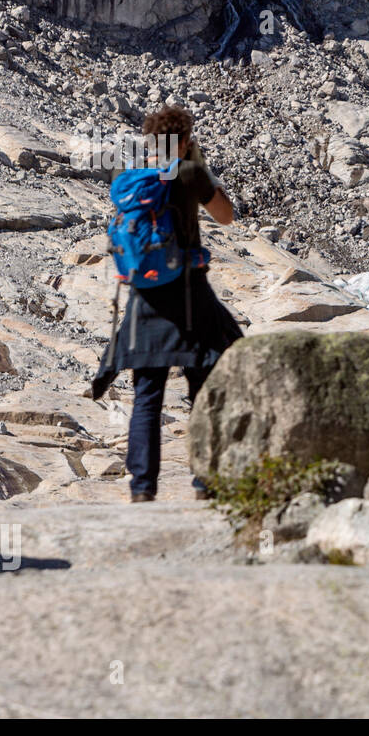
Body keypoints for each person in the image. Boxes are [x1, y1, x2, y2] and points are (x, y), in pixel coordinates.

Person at [91, 106, 243, 503]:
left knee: (147, 394)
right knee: (204, 385)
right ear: (185, 140)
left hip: (143, 299)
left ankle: (142, 489)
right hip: (190, 296)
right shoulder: (189, 173)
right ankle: (206, 482)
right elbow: (225, 216)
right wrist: (198, 168)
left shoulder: (127, 179)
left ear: (148, 140)